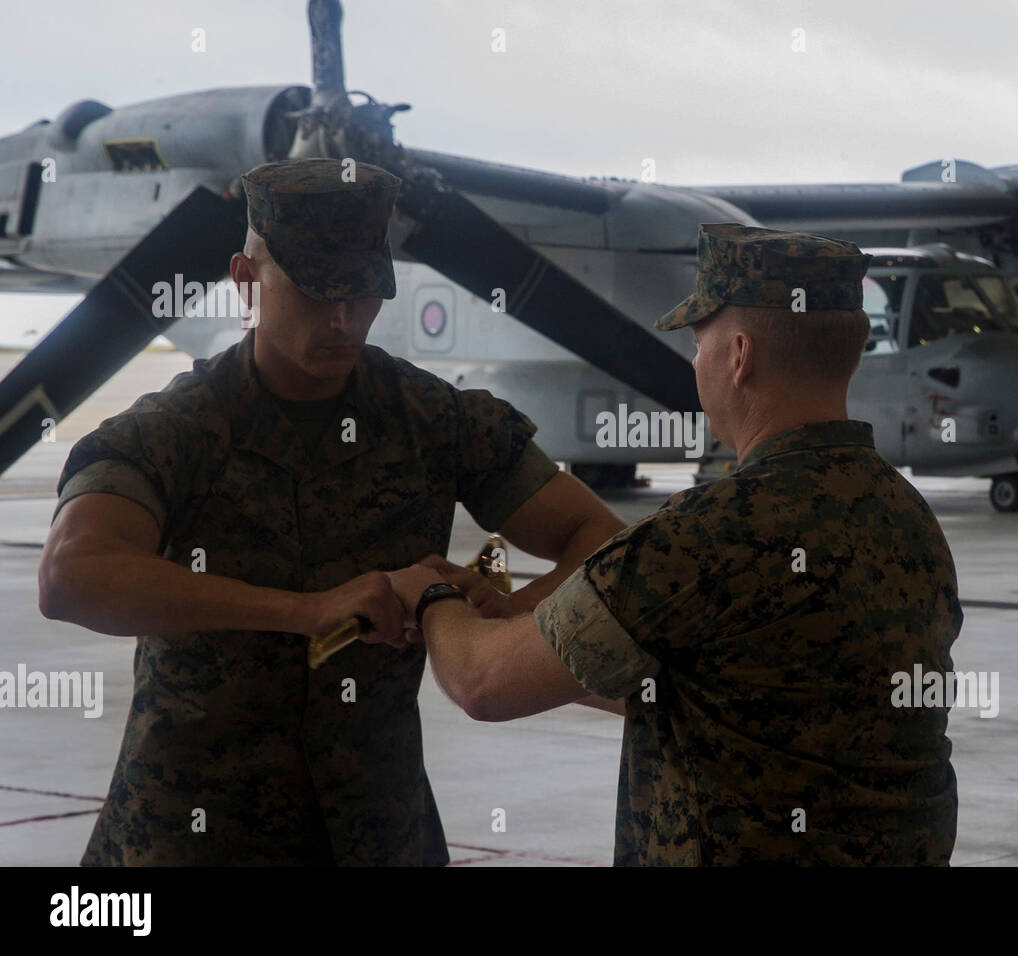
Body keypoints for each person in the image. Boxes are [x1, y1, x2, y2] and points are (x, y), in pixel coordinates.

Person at [37, 158, 625, 866]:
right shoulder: (173, 431)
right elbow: (73, 575)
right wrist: (307, 610)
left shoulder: (434, 419)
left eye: (364, 291)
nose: (344, 319)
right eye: (317, 293)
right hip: (192, 834)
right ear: (245, 280)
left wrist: (504, 614)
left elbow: (601, 539)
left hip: (378, 833)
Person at [389, 222, 964, 866]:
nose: (695, 363)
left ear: (740, 356)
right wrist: (531, 623)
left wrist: (433, 597)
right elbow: (720, 688)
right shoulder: (907, 521)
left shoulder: (705, 534)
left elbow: (483, 684)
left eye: (698, 343)